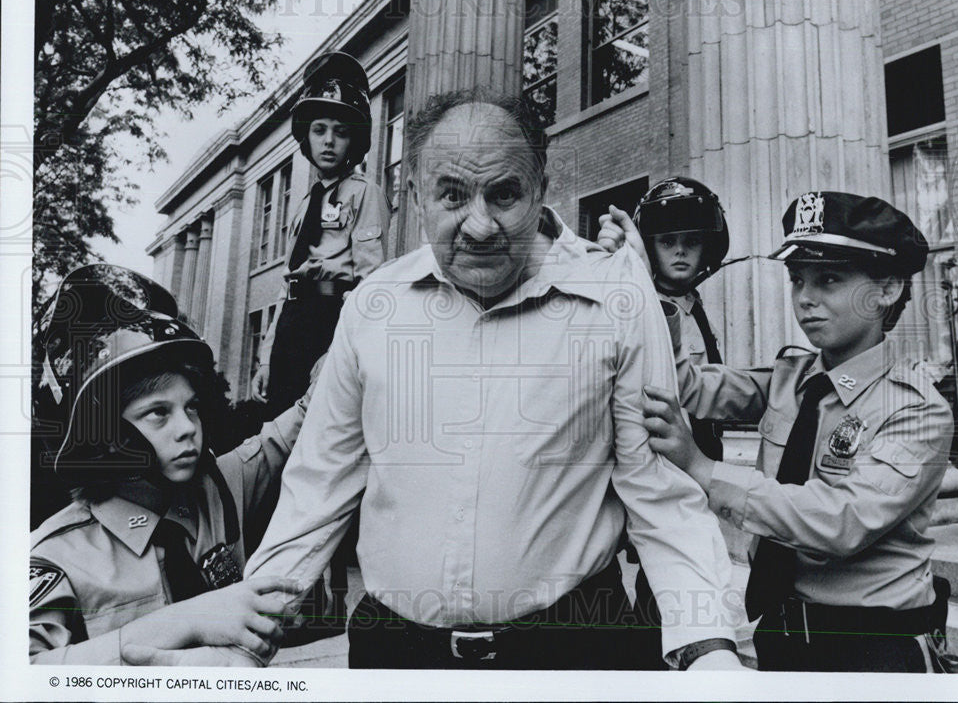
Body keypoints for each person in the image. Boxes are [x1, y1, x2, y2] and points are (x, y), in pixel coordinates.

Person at [131, 88, 745, 670]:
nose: (479, 226)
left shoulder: (619, 300)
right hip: (396, 656)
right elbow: (316, 493)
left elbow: (661, 497)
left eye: (504, 195)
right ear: (416, 194)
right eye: (452, 196)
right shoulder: (373, 307)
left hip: (575, 648)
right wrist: (249, 635)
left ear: (541, 190)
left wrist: (708, 649)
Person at [643, 191, 958, 672]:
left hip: (871, 647)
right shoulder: (794, 378)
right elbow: (687, 384)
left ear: (889, 288)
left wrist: (704, 470)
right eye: (797, 280)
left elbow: (841, 522)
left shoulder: (914, 408)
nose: (805, 298)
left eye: (829, 279)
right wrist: (658, 291)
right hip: (781, 630)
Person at [30, 265, 303, 664]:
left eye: (191, 407)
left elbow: (303, 422)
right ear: (101, 433)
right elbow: (21, 672)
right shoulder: (58, 554)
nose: (188, 428)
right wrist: (183, 621)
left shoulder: (220, 487)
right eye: (158, 413)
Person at [597, 178, 731, 646]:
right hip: (657, 472)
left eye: (692, 242)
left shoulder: (691, 304)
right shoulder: (641, 302)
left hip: (692, 463)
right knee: (664, 596)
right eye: (667, 242)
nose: (680, 253)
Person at [251, 50, 391, 419]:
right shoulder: (302, 206)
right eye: (319, 130)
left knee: (316, 429)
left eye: (341, 132)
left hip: (329, 320)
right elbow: (286, 285)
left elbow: (369, 284)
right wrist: (266, 358)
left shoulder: (364, 193)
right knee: (276, 426)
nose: (329, 141)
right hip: (292, 325)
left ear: (355, 139)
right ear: (306, 137)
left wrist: (339, 349)